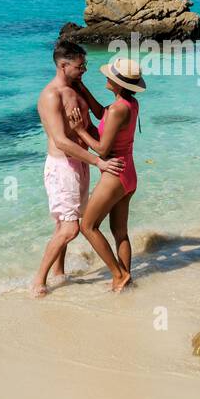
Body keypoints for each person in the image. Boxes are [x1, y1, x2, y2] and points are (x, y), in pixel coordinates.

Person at [32, 40, 123, 297]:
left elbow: (92, 122)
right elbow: (60, 139)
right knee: (71, 229)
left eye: (85, 65)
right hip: (63, 167)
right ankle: (38, 281)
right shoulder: (52, 95)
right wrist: (98, 161)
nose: (84, 70)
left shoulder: (76, 89)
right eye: (80, 66)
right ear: (63, 65)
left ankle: (59, 273)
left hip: (81, 163)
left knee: (64, 224)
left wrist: (105, 149)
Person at [74, 57, 145, 293]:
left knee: (88, 226)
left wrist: (79, 131)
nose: (106, 77)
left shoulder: (117, 109)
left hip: (115, 173)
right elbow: (101, 114)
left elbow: (103, 149)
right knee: (120, 232)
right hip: (129, 174)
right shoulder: (129, 104)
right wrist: (82, 88)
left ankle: (119, 274)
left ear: (118, 83)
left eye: (110, 76)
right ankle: (125, 279)